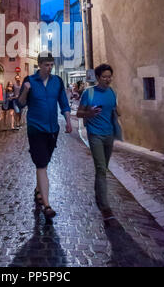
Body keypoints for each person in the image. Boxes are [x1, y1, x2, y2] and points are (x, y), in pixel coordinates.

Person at [18, 52, 72, 219]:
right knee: (41, 164)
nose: (49, 68)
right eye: (46, 65)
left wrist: (68, 121)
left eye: (51, 65)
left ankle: (38, 189)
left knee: (45, 161)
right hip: (35, 127)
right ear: (39, 65)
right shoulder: (30, 81)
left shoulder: (57, 81)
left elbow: (63, 102)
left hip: (52, 129)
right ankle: (47, 205)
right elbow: (20, 103)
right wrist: (26, 91)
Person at [76, 64, 120, 222]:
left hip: (109, 135)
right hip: (95, 135)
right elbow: (79, 113)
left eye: (109, 76)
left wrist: (117, 112)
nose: (107, 79)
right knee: (101, 168)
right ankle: (105, 207)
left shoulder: (112, 92)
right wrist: (89, 113)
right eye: (104, 77)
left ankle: (98, 195)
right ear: (97, 77)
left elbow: (114, 110)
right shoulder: (89, 92)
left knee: (103, 169)